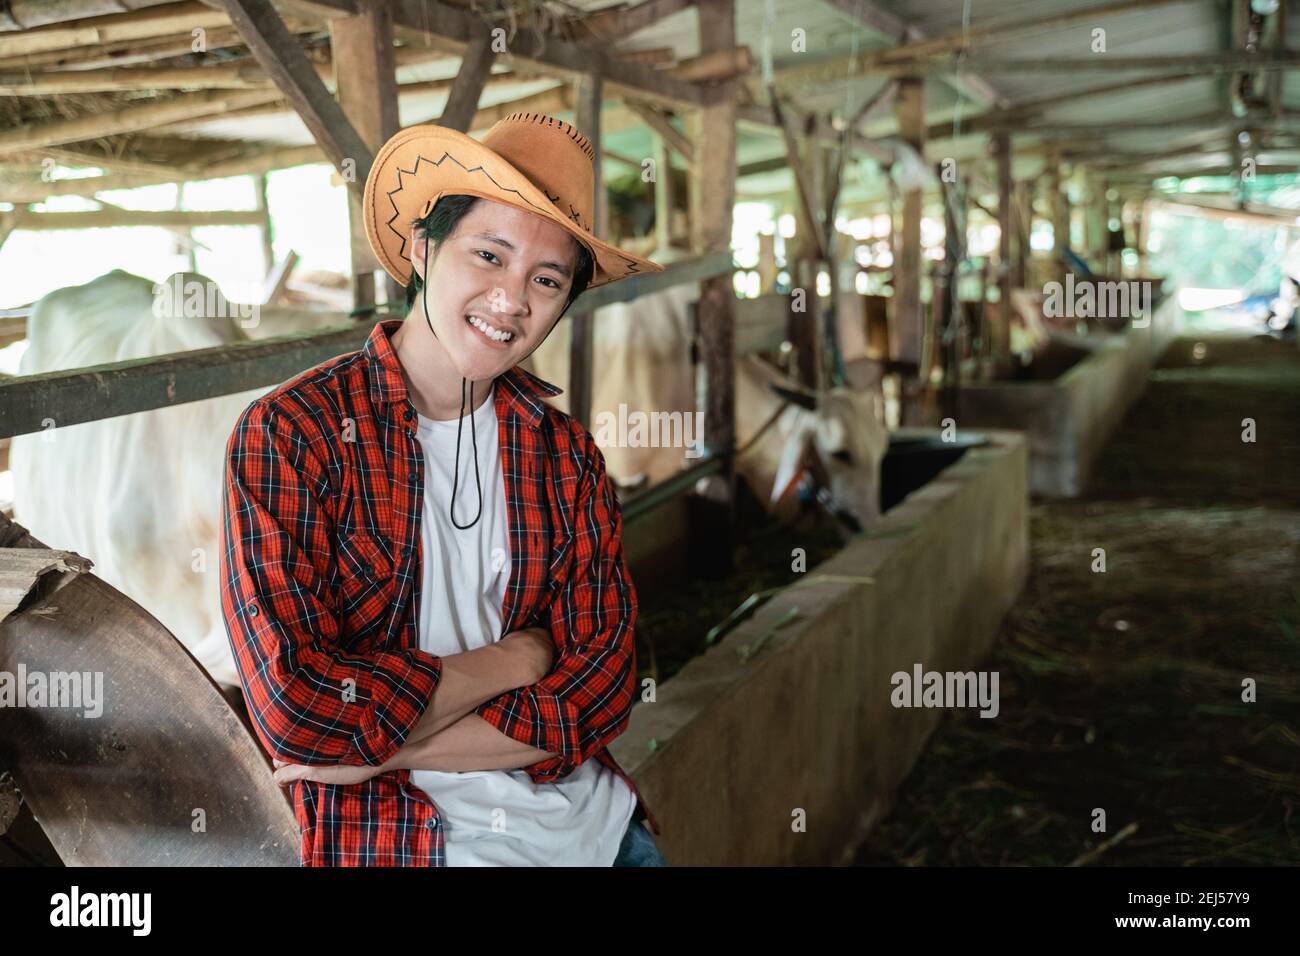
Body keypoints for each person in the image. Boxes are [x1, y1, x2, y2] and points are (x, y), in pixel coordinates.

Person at [220, 113, 668, 866]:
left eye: (546, 280)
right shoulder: (292, 436)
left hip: (595, 835)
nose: (511, 300)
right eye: (488, 255)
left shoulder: (566, 458)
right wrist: (518, 661)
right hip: (401, 843)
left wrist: (384, 752)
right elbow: (298, 711)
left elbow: (603, 685)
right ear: (424, 249)